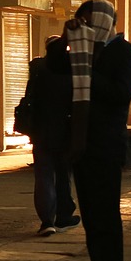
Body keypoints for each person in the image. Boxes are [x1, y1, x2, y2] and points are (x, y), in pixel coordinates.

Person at [47, 0, 131, 261]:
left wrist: (88, 70)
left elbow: (120, 94)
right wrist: (64, 39)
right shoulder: (85, 50)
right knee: (92, 221)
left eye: (88, 22)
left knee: (106, 222)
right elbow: (55, 67)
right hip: (81, 146)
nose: (84, 28)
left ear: (103, 21)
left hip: (104, 146)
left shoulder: (124, 54)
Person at [27, 36, 79, 237]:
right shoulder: (69, 71)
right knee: (63, 175)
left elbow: (31, 99)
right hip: (64, 132)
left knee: (43, 176)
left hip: (40, 130)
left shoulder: (38, 70)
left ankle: (47, 220)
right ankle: (63, 215)